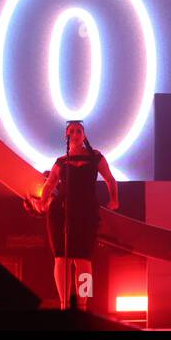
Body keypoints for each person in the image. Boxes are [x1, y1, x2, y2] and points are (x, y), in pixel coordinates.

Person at [37, 122, 119, 310]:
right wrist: (42, 202)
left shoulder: (95, 157)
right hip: (61, 213)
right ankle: (64, 305)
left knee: (83, 259)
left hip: (87, 212)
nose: (74, 134)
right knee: (61, 258)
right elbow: (50, 184)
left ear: (84, 135)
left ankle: (82, 306)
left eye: (78, 131)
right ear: (67, 137)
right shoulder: (61, 161)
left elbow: (110, 179)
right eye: (71, 131)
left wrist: (114, 200)